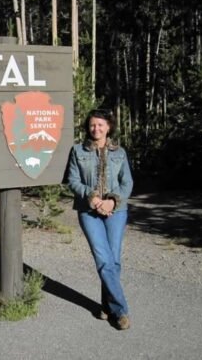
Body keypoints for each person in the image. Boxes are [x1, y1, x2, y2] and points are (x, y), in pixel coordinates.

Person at [66, 109, 133, 330]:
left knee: (113, 261)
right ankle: (121, 312)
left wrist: (113, 201)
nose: (96, 128)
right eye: (93, 125)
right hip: (89, 210)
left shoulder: (119, 152)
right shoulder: (77, 151)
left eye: (101, 125)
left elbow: (127, 183)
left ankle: (107, 306)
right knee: (104, 259)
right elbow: (72, 180)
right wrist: (92, 197)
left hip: (116, 211)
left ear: (109, 127)